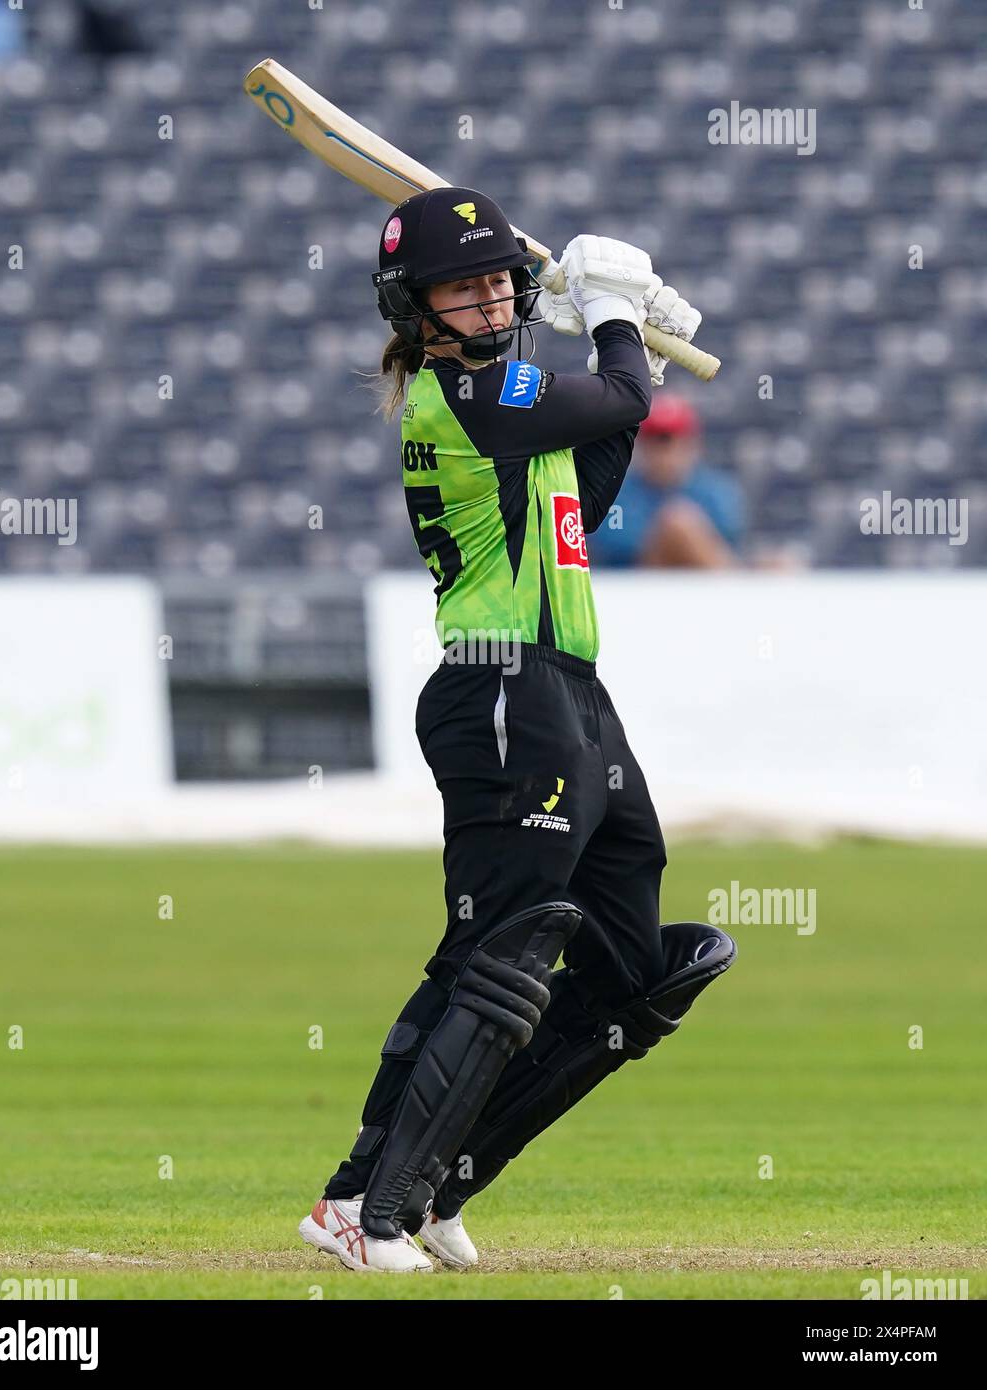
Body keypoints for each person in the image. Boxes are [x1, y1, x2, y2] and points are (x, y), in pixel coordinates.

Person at [300, 188, 736, 1273]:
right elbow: (618, 386)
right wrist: (616, 313)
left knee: (633, 965)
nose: (490, 293)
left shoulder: (522, 410)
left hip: (571, 690)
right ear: (419, 312)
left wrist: (617, 317)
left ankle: (444, 1178)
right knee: (497, 946)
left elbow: (603, 443)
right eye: (464, 282)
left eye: (500, 277)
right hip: (499, 690)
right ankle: (360, 1200)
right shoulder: (469, 394)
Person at [589, 393, 744, 568]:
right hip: (638, 587)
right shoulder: (616, 493)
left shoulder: (716, 490)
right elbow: (618, 550)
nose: (664, 453)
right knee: (678, 524)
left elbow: (730, 544)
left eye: (671, 441)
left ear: (692, 443)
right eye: (655, 440)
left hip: (704, 585)